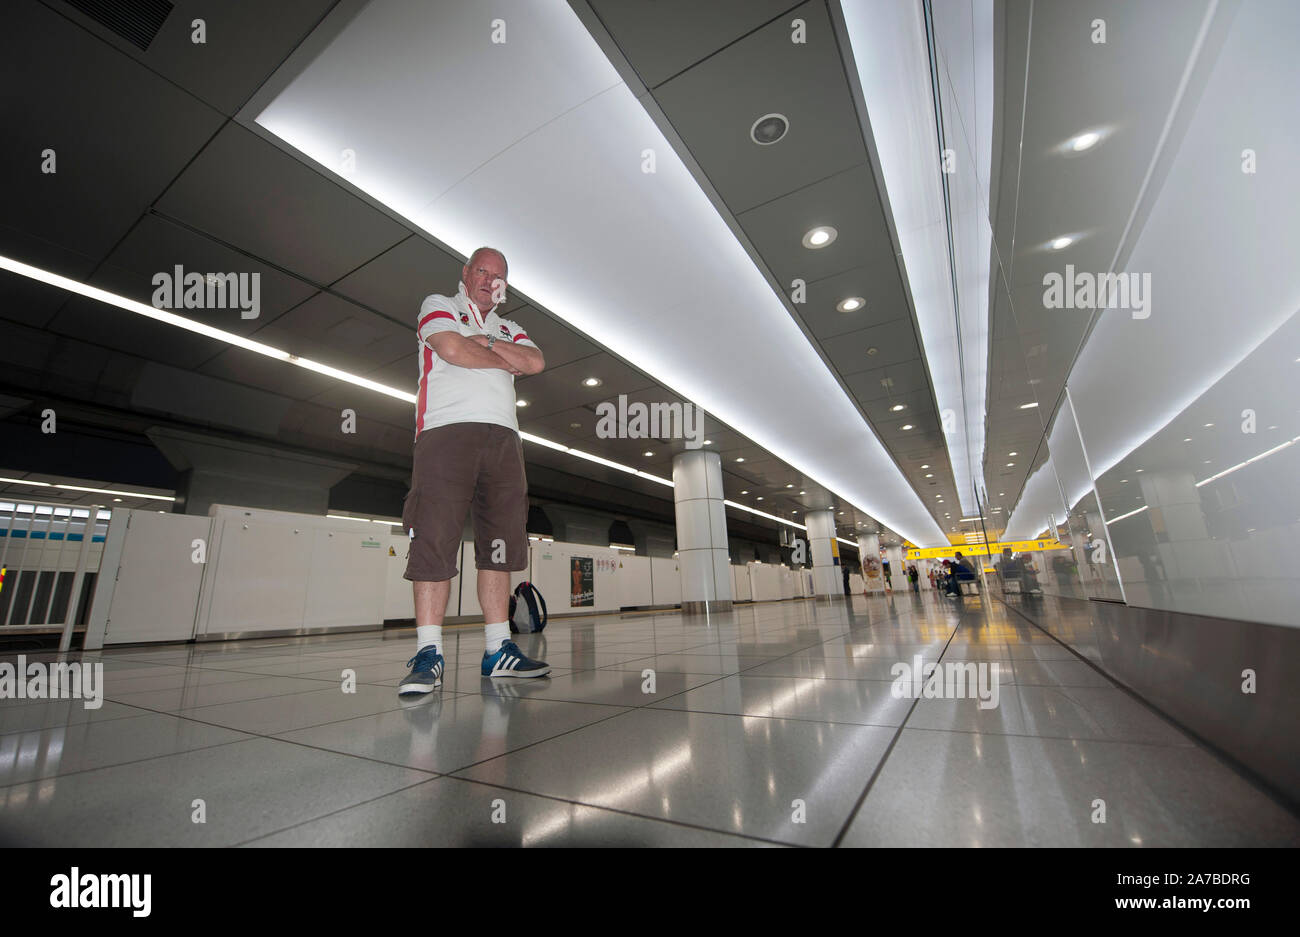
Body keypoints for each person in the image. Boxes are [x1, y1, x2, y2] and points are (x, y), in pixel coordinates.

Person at [398, 247, 550, 695]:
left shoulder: (511, 326)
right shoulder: (439, 305)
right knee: (435, 537)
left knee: (500, 545)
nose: (489, 280)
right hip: (445, 432)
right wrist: (500, 356)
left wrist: (483, 343)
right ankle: (428, 653)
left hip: (504, 440)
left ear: (505, 286)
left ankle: (498, 649)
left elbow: (535, 362)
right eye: (482, 271)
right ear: (466, 273)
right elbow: (450, 348)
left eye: (497, 275)